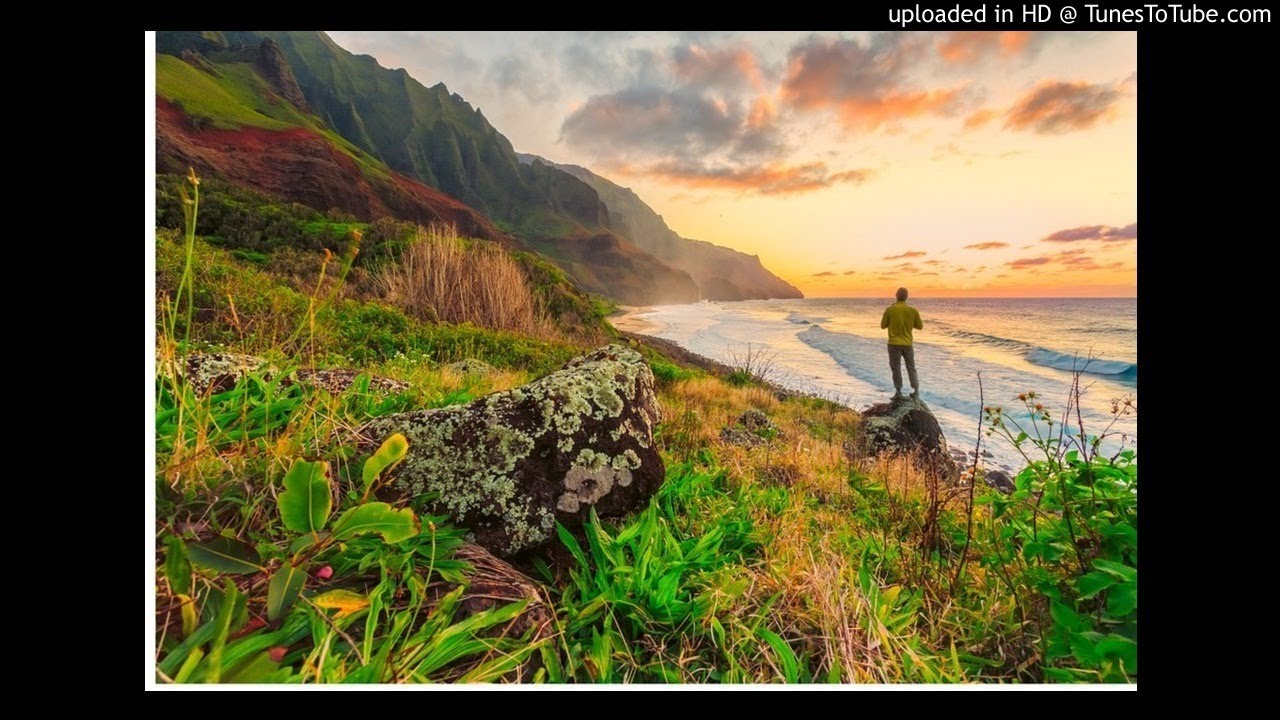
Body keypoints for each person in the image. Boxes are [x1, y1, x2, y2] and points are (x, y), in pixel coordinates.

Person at [880, 287, 923, 399]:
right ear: (906, 297)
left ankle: (898, 391)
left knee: (896, 367)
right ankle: (916, 391)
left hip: (894, 343)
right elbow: (919, 326)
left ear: (896, 295)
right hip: (908, 343)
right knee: (911, 367)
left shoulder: (890, 310)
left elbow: (883, 325)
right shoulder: (912, 311)